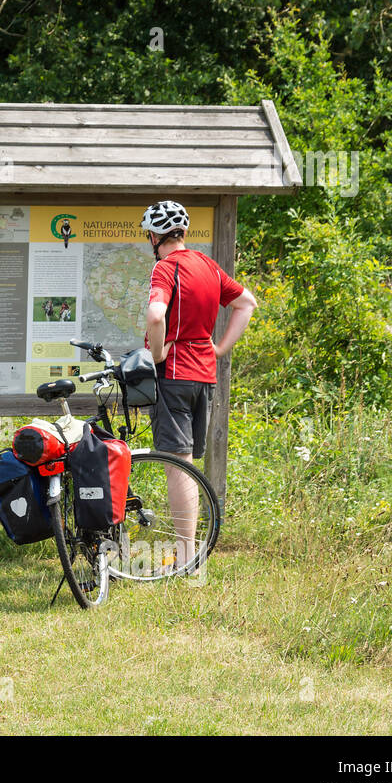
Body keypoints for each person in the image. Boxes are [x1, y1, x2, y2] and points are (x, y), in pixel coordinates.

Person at [140, 200, 257, 571]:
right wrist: (220, 348)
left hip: (173, 375)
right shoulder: (208, 265)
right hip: (203, 377)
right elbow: (246, 303)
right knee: (187, 462)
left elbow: (156, 315)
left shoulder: (165, 267)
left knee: (178, 465)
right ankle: (189, 555)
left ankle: (187, 557)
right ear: (184, 233)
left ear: (155, 236)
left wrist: (156, 356)